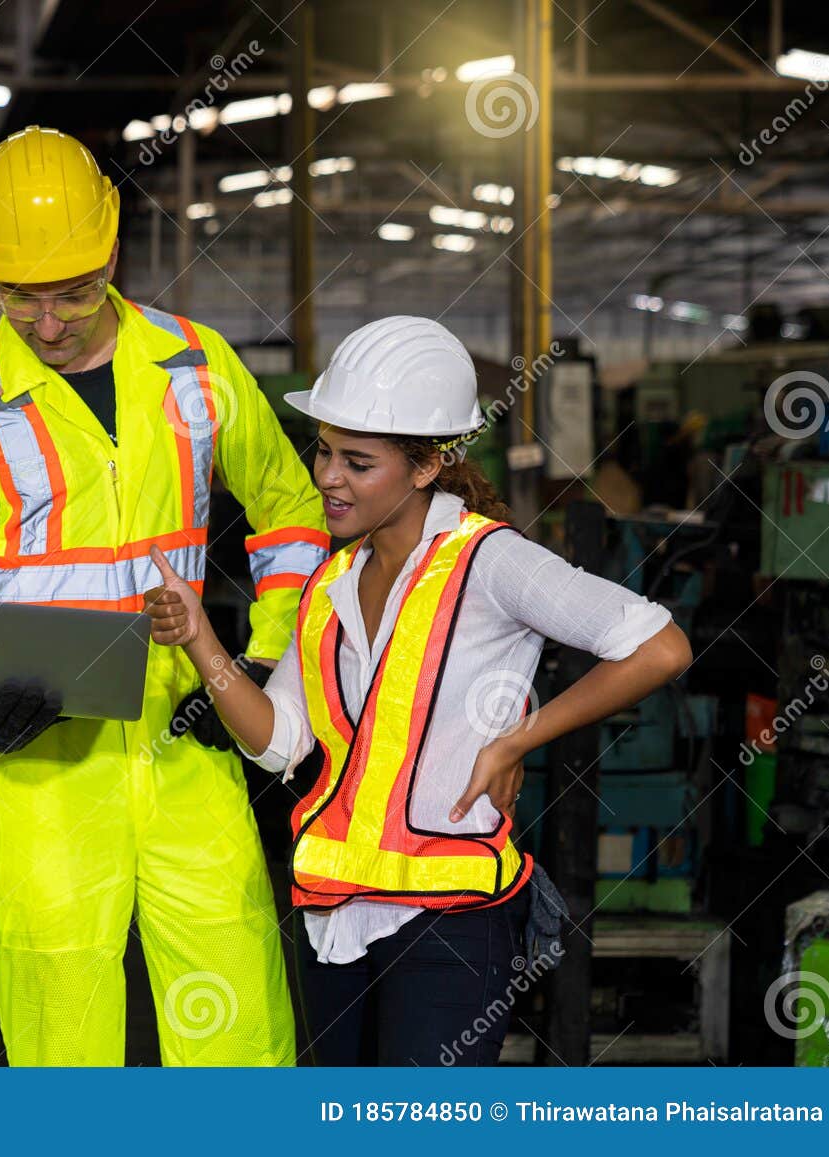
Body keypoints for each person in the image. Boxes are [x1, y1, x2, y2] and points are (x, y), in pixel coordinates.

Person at [143, 315, 692, 1066]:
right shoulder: (328, 586)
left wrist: (519, 738)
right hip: (332, 921)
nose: (327, 477)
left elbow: (658, 644)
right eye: (325, 451)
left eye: (357, 462)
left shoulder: (490, 562)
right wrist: (203, 641)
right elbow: (279, 744)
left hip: (452, 928)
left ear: (427, 466)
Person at [0, 126, 330, 1065]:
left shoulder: (196, 364)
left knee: (239, 1031)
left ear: (113, 255)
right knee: (64, 1041)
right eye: (20, 297)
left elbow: (291, 510)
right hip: (38, 782)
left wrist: (270, 659)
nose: (48, 324)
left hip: (189, 752)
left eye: (73, 294)